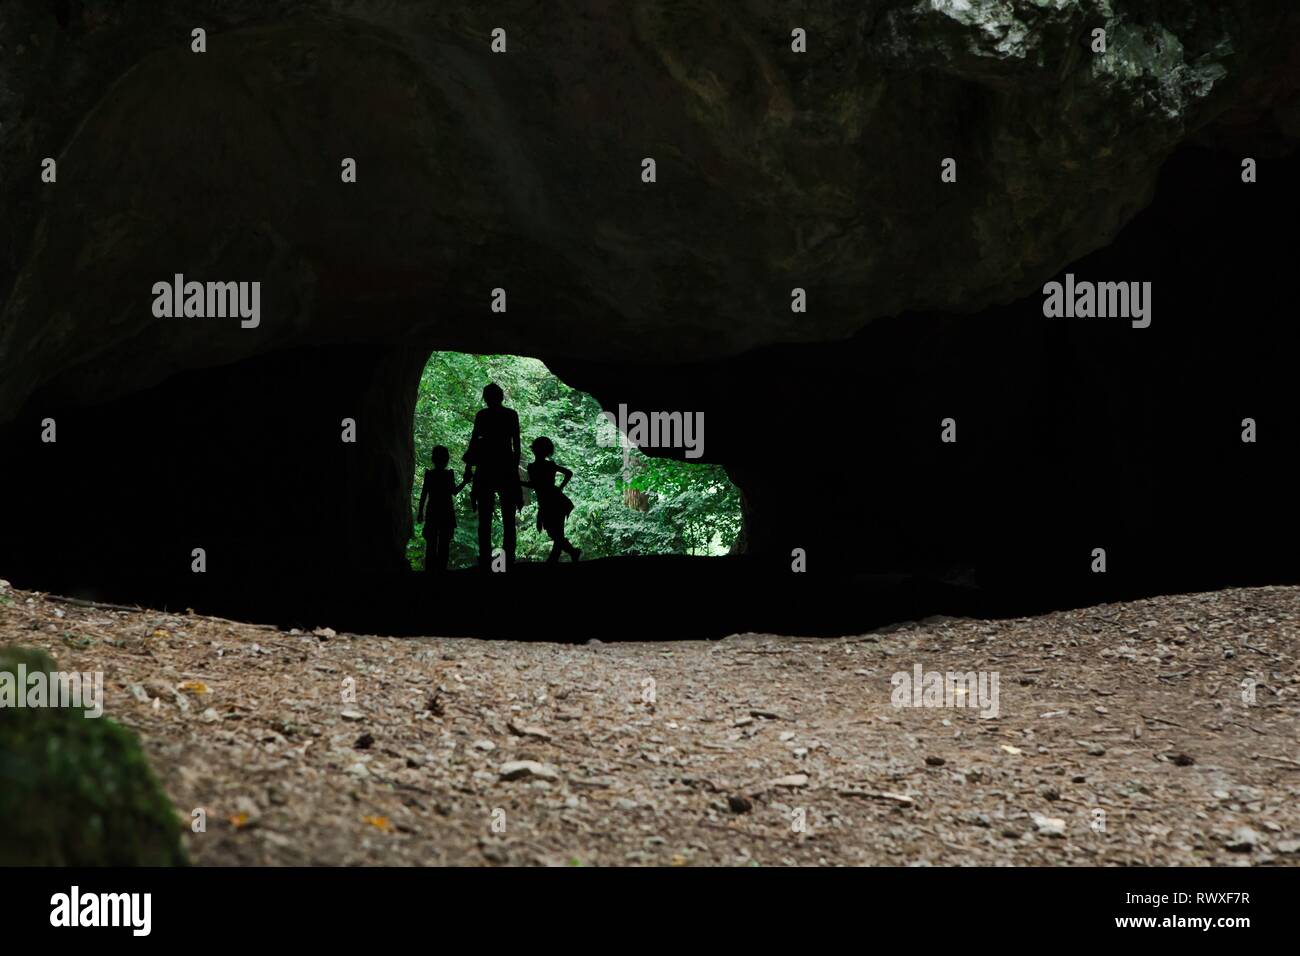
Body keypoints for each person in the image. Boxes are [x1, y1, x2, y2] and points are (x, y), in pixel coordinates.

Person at [464, 383, 522, 568]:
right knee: (508, 517)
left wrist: (469, 468)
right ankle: (508, 559)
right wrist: (514, 474)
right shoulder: (510, 415)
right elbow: (517, 446)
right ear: (501, 397)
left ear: (486, 398)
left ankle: (485, 558)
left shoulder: (483, 415)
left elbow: (475, 441)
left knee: (485, 517)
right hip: (505, 465)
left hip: (486, 465)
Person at [522, 436, 581, 563]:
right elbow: (568, 473)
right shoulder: (547, 466)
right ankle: (573, 552)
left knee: (555, 533)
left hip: (552, 501)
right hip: (554, 500)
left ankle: (556, 559)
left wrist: (519, 482)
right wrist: (559, 488)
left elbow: (534, 485)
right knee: (554, 532)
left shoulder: (534, 467)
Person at [417, 446, 470, 572]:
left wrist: (420, 512)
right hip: (446, 513)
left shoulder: (429, 474)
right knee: (444, 546)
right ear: (446, 459)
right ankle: (441, 572)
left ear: (433, 459)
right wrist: (465, 481)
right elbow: (455, 492)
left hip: (432, 512)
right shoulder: (448, 474)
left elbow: (424, 494)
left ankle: (430, 572)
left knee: (431, 546)